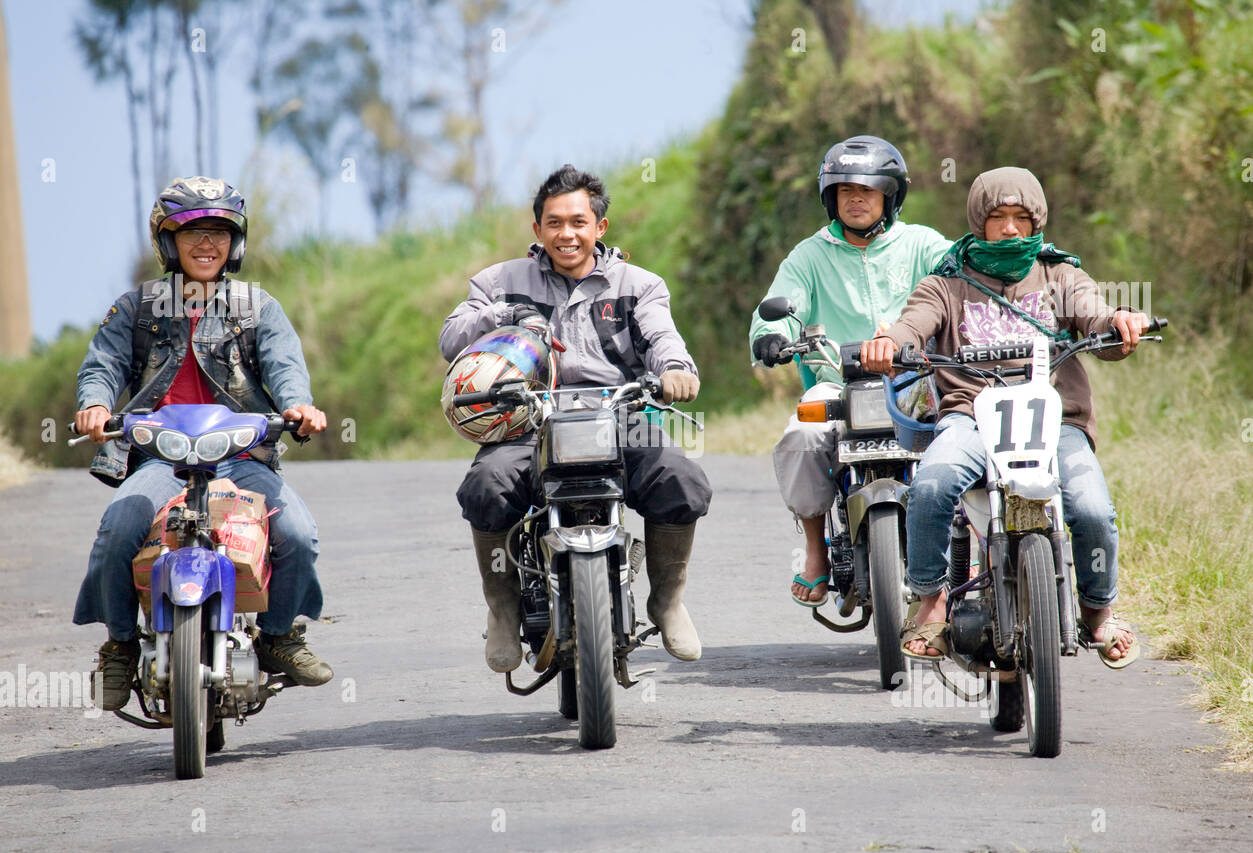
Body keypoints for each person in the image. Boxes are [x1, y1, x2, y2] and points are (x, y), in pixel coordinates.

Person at [862, 166, 1146, 668]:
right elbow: (912, 326)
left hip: (1054, 421)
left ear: (1036, 222)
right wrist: (891, 344)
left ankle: (1098, 613)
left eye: (1021, 217)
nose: (1011, 228)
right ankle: (930, 603)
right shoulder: (945, 284)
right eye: (999, 218)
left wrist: (1117, 323)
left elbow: (1095, 315)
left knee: (1093, 510)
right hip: (970, 417)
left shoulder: (1060, 276)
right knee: (931, 484)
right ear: (979, 221)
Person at [74, 175, 333, 709]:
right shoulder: (137, 307)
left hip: (239, 458)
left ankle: (280, 635)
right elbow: (102, 366)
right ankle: (120, 645)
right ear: (167, 242)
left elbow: (286, 369)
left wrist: (298, 406)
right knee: (117, 531)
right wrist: (96, 405)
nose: (207, 243)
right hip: (160, 458)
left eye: (218, 230)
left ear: (235, 242)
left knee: (299, 535)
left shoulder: (258, 308)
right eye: (191, 231)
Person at [440, 165, 712, 672]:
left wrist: (675, 370)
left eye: (579, 222)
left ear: (599, 227)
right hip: (527, 420)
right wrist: (499, 316)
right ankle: (502, 610)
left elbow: (662, 339)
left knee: (682, 478)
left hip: (620, 416)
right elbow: (451, 339)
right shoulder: (499, 281)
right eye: (555, 222)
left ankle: (667, 601)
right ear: (537, 229)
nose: (567, 233)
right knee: (487, 485)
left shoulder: (641, 284)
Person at [747, 135, 950, 606]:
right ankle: (815, 550)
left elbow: (959, 279)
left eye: (867, 189)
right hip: (837, 386)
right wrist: (768, 337)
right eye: (844, 190)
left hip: (916, 384)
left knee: (963, 434)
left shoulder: (922, 244)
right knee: (800, 435)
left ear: (890, 195)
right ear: (830, 198)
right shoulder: (809, 256)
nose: (855, 198)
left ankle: (968, 549)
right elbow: (772, 307)